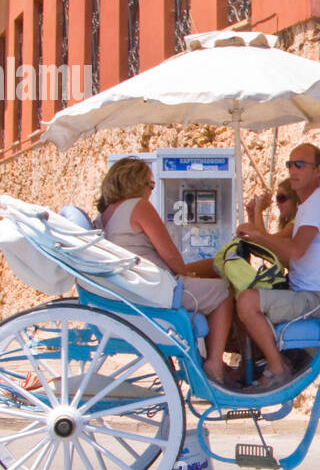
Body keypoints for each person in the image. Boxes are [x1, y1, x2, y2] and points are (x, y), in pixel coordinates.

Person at [98, 157, 233, 385]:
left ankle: (207, 354)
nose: (151, 191)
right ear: (136, 183)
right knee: (224, 291)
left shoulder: (107, 214)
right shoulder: (138, 207)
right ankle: (215, 363)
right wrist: (187, 275)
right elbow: (170, 254)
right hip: (156, 287)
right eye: (149, 185)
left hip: (135, 284)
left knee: (213, 265)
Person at [233, 143, 320, 391]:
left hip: (315, 297)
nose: (293, 170)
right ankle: (249, 365)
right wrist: (255, 228)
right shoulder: (308, 207)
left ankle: (277, 368)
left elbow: (294, 251)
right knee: (237, 294)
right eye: (290, 164)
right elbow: (282, 249)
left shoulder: (318, 205)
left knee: (246, 302)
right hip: (301, 290)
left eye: (300, 165)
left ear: (319, 170)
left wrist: (257, 235)